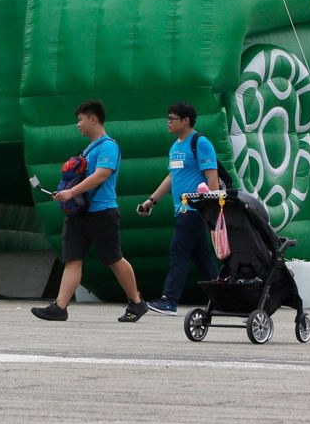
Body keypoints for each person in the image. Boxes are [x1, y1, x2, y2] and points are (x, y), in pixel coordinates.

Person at [31, 100, 149, 322]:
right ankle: (60, 307)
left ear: (93, 119)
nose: (78, 125)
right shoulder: (88, 149)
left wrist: (72, 191)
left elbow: (102, 175)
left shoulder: (108, 146)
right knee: (72, 259)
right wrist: (66, 193)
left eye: (80, 120)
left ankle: (136, 301)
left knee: (114, 259)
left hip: (102, 213)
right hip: (79, 214)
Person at [137, 102, 221, 316]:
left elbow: (212, 176)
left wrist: (210, 209)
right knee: (203, 259)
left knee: (178, 250)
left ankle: (170, 300)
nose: (168, 122)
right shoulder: (175, 146)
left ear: (186, 120)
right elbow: (171, 177)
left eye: (172, 118)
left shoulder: (200, 143)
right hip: (182, 209)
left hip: (194, 209)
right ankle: (223, 298)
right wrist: (151, 201)